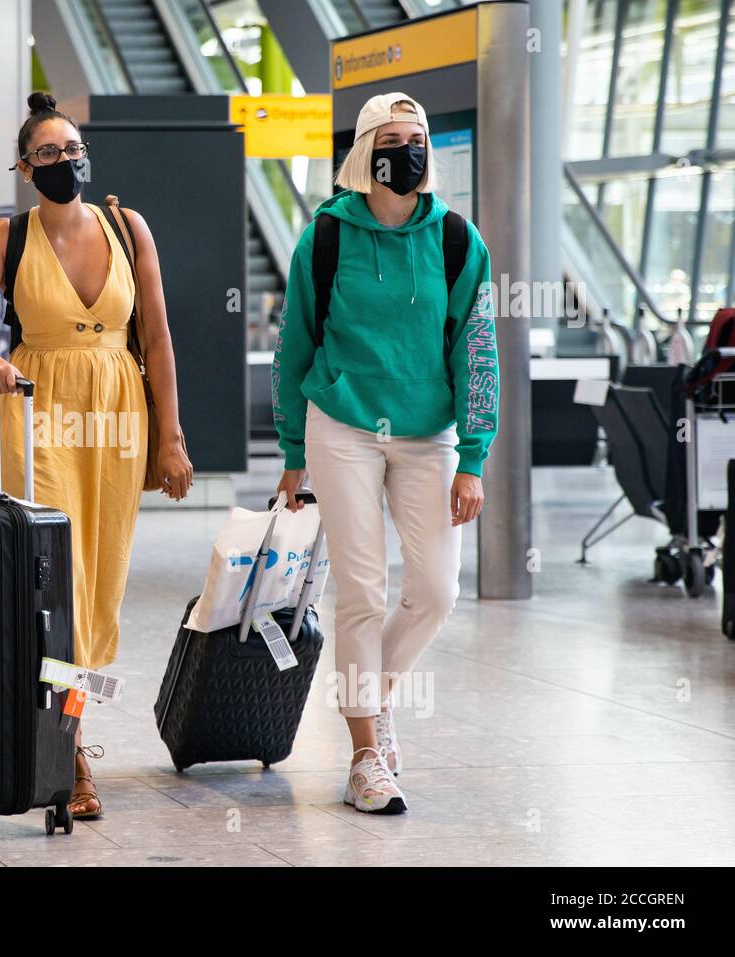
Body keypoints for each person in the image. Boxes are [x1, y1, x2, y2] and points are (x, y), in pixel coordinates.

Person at [0, 92, 194, 819]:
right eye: (47, 153)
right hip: (39, 408)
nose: (63, 161)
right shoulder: (6, 236)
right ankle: (69, 747)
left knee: (100, 584)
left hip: (117, 417)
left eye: (71, 149)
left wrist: (170, 436)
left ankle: (67, 724)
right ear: (25, 168)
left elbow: (156, 337)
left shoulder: (127, 226)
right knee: (57, 579)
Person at [272, 93, 499, 815]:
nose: (409, 151)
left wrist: (474, 455)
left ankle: (376, 698)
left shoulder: (459, 240)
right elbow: (294, 347)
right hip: (340, 425)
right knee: (363, 590)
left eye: (419, 138)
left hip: (427, 432)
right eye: (395, 138)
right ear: (367, 151)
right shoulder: (327, 236)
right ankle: (365, 754)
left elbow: (477, 350)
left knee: (436, 590)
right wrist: (290, 451)